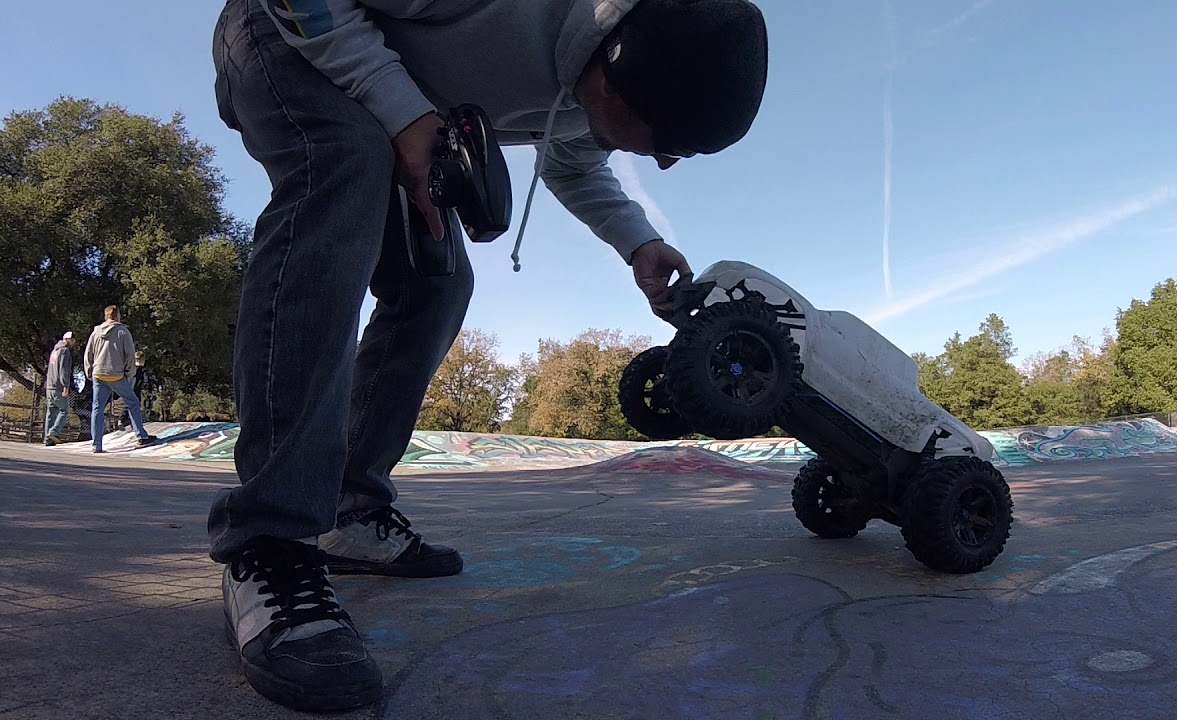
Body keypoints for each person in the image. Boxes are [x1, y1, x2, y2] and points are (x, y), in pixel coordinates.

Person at [209, 0, 769, 712]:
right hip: (285, 36)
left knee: (438, 281)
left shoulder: (599, 85)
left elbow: (571, 156)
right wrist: (404, 112)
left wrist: (638, 243)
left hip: (394, 97)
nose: (662, 161)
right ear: (617, 74)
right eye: (672, 143)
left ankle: (351, 512)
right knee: (342, 166)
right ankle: (270, 541)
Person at [82, 305, 157, 452]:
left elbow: (88, 353)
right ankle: (141, 436)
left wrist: (89, 371)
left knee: (97, 408)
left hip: (98, 374)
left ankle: (96, 445)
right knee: (133, 402)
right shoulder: (123, 331)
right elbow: (130, 354)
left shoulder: (95, 332)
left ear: (105, 316)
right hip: (116, 375)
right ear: (117, 316)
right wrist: (129, 373)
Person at [43, 331, 77, 446]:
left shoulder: (54, 351)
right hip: (58, 386)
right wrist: (65, 386)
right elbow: (64, 370)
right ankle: (53, 432)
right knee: (64, 410)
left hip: (49, 386)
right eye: (72, 340)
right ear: (67, 339)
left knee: (51, 412)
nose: (73, 342)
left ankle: (47, 439)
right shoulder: (64, 351)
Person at [117, 351, 149, 429]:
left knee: (131, 404)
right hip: (133, 388)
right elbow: (144, 379)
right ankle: (125, 420)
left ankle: (128, 421)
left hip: (131, 388)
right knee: (133, 404)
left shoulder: (131, 368)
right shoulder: (139, 369)